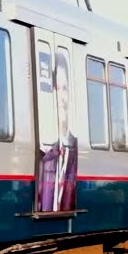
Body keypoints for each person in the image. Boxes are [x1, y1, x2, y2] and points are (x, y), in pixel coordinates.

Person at [37, 51, 78, 212]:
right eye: (58, 88)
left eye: (65, 88)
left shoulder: (75, 150)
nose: (61, 96)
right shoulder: (45, 155)